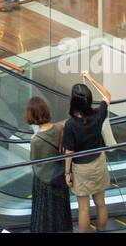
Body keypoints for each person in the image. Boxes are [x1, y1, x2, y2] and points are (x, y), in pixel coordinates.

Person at [63, 72, 112, 233]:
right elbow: (107, 95)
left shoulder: (70, 125)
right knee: (101, 203)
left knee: (84, 209)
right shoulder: (99, 114)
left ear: (73, 102)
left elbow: (69, 152)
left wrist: (67, 173)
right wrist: (90, 78)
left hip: (81, 169)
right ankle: (101, 230)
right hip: (99, 162)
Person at [27, 95, 72, 233]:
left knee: (44, 214)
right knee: (60, 212)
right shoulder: (60, 128)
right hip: (60, 177)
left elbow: (34, 162)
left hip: (44, 182)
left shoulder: (35, 140)